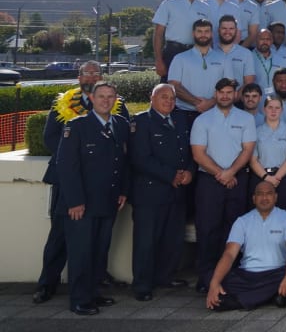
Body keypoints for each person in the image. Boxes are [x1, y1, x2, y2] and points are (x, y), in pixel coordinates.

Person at [34, 61, 125, 305]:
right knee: (60, 237)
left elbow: (122, 146)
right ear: (79, 77)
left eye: (97, 73)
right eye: (88, 73)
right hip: (69, 183)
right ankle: (47, 284)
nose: (92, 77)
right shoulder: (64, 103)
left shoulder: (117, 107)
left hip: (102, 187)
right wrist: (81, 162)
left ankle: (94, 285)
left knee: (95, 241)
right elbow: (51, 139)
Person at [56, 82, 130, 316]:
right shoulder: (77, 126)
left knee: (99, 251)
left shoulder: (121, 124)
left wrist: (123, 190)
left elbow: (123, 162)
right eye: (101, 96)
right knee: (81, 252)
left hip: (108, 200)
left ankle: (94, 293)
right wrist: (75, 201)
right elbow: (66, 166)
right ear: (92, 99)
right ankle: (79, 299)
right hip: (83, 204)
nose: (106, 101)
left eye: (110, 96)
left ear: (115, 100)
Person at [190, 78, 257, 293]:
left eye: (229, 92)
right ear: (216, 94)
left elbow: (247, 150)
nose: (225, 96)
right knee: (208, 229)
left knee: (233, 229)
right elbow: (198, 154)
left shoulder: (246, 119)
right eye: (221, 92)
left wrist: (231, 172)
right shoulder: (203, 120)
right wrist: (222, 174)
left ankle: (229, 277)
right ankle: (206, 278)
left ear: (235, 94)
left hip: (237, 179)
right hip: (209, 181)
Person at [128, 84, 193, 302]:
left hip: (177, 192)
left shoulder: (180, 119)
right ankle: (142, 284)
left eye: (172, 98)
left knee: (172, 239)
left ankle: (165, 276)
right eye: (163, 97)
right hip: (150, 192)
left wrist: (190, 172)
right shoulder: (141, 122)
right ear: (152, 97)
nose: (168, 101)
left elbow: (189, 151)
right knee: (146, 241)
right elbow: (140, 158)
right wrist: (171, 175)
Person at [205, 182, 286, 311]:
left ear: (275, 197)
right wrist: (214, 283)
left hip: (277, 273)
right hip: (247, 276)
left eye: (269, 194)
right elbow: (229, 254)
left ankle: (239, 301)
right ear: (254, 198)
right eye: (260, 194)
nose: (264, 198)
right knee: (210, 277)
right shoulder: (242, 221)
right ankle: (272, 296)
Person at [152, 0, 211, 81]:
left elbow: (209, 34)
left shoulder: (205, 7)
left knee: (192, 86)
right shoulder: (169, 3)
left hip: (196, 53)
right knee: (169, 87)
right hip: (172, 53)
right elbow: (158, 34)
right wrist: (158, 60)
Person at [168, 19, 227, 121]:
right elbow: (174, 86)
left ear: (212, 34)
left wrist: (210, 103)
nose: (203, 35)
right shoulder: (180, 58)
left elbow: (228, 86)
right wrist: (196, 102)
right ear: (193, 34)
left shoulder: (223, 59)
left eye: (206, 31)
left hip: (214, 113)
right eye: (199, 31)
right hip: (184, 114)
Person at [249, 95, 286, 211]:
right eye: (270, 107)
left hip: (282, 178)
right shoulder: (256, 131)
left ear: (282, 110)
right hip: (260, 176)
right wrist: (266, 177)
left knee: (283, 211)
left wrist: (276, 178)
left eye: (277, 108)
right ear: (264, 109)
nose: (273, 111)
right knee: (259, 210)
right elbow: (253, 160)